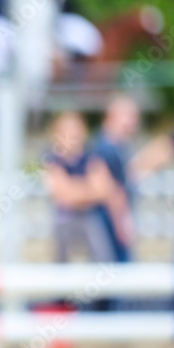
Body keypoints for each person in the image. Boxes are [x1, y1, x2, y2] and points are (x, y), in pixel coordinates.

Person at [44, 111, 130, 263]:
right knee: (59, 264)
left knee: (103, 258)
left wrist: (74, 189)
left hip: (90, 218)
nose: (72, 134)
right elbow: (63, 195)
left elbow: (103, 190)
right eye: (67, 130)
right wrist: (88, 189)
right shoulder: (52, 160)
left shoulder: (92, 158)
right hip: (64, 220)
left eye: (75, 129)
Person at [91, 96, 140, 262]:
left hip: (114, 217)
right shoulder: (106, 148)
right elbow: (111, 190)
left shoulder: (119, 145)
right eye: (129, 115)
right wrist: (121, 223)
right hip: (109, 219)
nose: (134, 120)